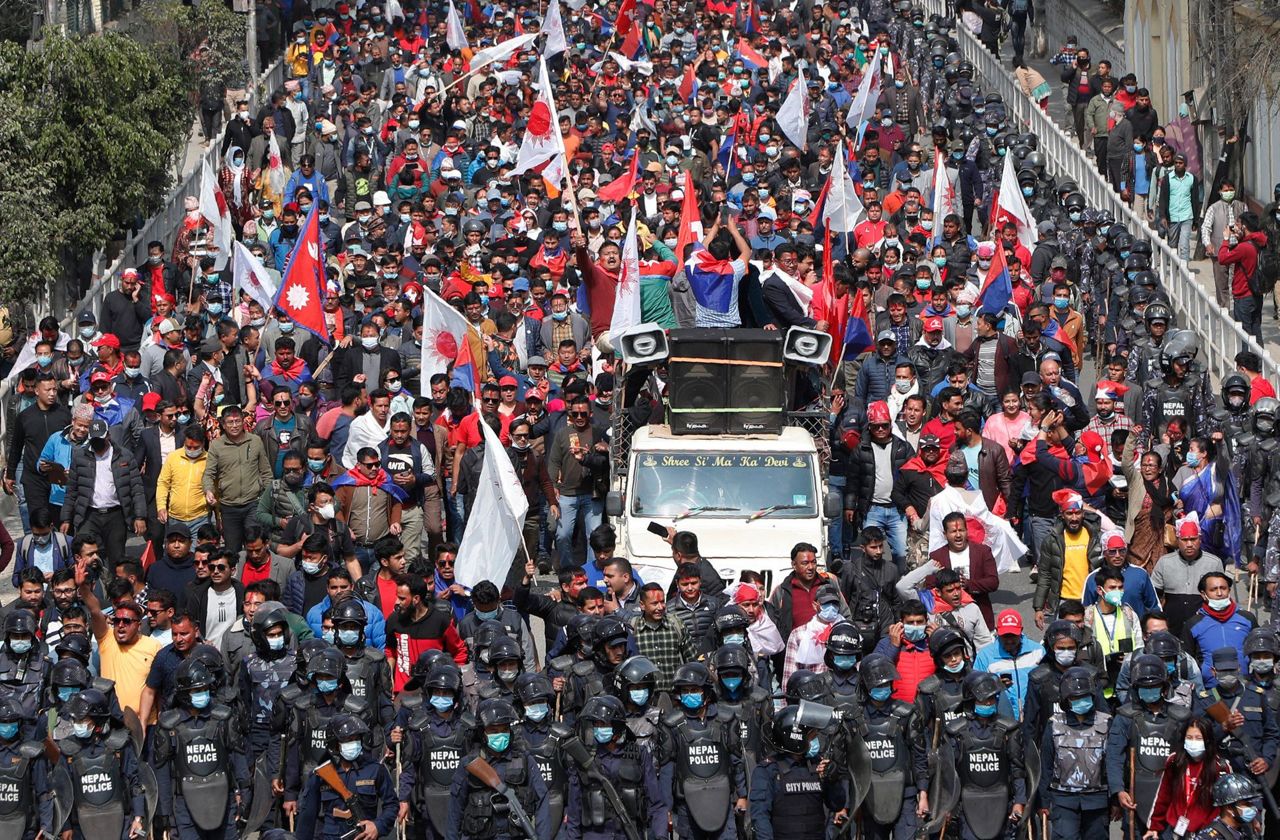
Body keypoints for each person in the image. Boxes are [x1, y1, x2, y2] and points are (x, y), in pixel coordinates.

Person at [152, 657, 250, 839]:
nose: (202, 694)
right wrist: (165, 814)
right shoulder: (168, 724)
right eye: (197, 691)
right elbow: (162, 772)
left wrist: (244, 795)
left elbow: (238, 757)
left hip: (223, 801)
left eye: (205, 689)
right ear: (184, 693)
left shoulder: (223, 717)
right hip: (185, 807)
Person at [447, 698, 551, 840]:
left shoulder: (524, 760)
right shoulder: (470, 764)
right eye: (494, 731)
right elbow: (455, 810)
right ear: (482, 733)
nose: (500, 735)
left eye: (504, 730)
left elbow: (542, 799)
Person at [941, 671, 1028, 840]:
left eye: (992, 698)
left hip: (1001, 802)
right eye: (983, 700)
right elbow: (948, 774)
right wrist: (947, 807)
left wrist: (1019, 801)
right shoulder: (955, 732)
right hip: (967, 804)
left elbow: (1017, 768)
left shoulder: (1009, 729)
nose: (988, 703)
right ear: (971, 701)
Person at [749, 705, 847, 840]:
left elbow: (837, 805)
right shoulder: (768, 770)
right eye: (811, 735)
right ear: (796, 739)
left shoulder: (819, 765)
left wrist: (833, 781)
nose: (816, 738)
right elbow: (760, 817)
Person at [296, 713, 399, 840]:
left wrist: (377, 826)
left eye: (356, 739)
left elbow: (392, 805)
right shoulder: (321, 775)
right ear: (335, 744)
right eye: (348, 740)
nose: (353, 743)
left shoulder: (375, 770)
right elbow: (307, 818)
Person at [1038, 667, 1112, 840]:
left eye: (1084, 696)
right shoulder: (1054, 724)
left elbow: (1113, 764)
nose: (1081, 701)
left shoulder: (1106, 722)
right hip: (1063, 800)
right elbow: (1046, 765)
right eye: (1075, 697)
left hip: (1097, 800)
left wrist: (1115, 800)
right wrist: (1043, 801)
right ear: (1066, 700)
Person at [1145, 718, 1231, 840]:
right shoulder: (1175, 761)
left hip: (1206, 833)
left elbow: (1226, 806)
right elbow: (1163, 796)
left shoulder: (1220, 767)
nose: (1193, 742)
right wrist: (1154, 827)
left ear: (1207, 740)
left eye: (1198, 738)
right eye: (1189, 737)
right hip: (1174, 831)